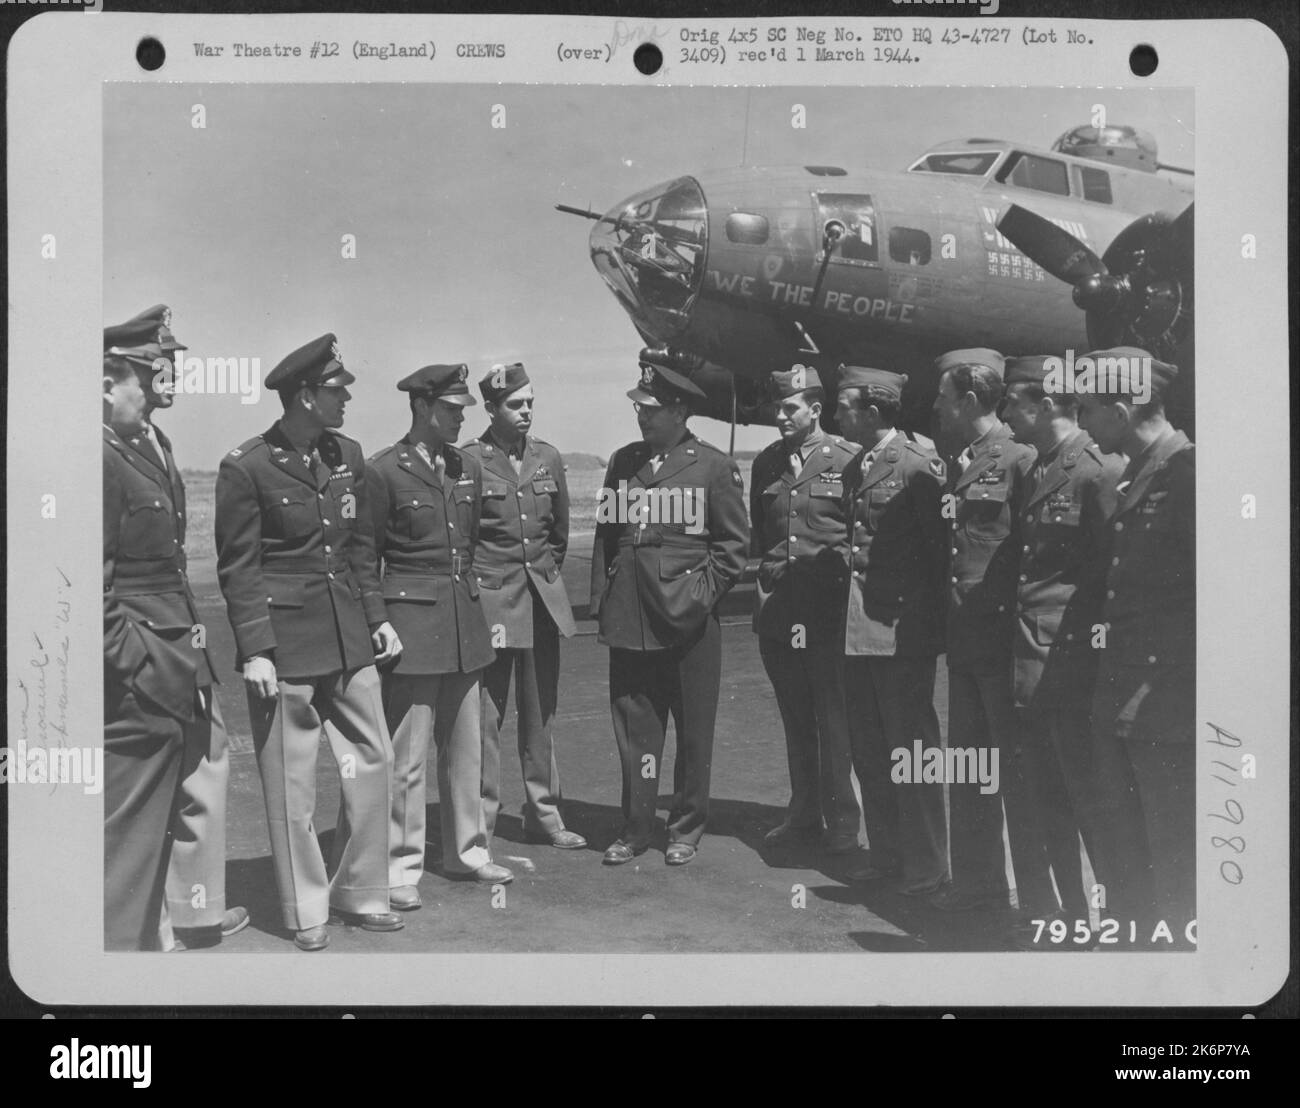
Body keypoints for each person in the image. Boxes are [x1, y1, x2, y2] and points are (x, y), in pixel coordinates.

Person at [214, 333, 404, 951]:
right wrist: (256, 649)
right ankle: (306, 910)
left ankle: (361, 891)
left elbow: (359, 549)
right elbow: (238, 568)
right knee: (292, 786)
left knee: (374, 760)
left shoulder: (347, 454)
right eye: (335, 391)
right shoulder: (247, 467)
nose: (346, 399)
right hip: (286, 647)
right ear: (303, 397)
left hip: (349, 637)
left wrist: (377, 615)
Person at [103, 305, 249, 951]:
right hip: (145, 662)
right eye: (158, 364)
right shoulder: (98, 457)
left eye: (174, 362)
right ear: (112, 377)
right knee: (134, 817)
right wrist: (133, 663)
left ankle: (191, 916)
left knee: (204, 776)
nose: (172, 373)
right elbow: (90, 587)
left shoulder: (156, 444)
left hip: (180, 646)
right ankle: (125, 945)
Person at [589, 351, 749, 866]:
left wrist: (695, 599)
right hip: (631, 618)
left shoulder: (714, 467)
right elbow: (607, 537)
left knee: (693, 732)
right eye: (640, 405)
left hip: (689, 625)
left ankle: (684, 828)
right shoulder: (623, 463)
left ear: (679, 412)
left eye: (653, 408)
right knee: (637, 731)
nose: (642, 415)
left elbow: (732, 550)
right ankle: (636, 827)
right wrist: (605, 602)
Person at [368, 364, 512, 906]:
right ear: (424, 408)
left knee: (466, 747)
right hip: (411, 627)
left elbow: (468, 543)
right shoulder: (385, 470)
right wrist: (380, 621)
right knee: (407, 756)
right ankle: (402, 865)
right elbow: (369, 555)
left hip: (462, 620)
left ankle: (468, 850)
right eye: (451, 410)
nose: (459, 419)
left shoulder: (465, 465)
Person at [1001, 354, 1122, 944]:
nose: (1005, 416)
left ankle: (1117, 918)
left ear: (1045, 404)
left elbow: (1107, 578)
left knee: (1088, 798)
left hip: (1071, 665)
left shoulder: (1096, 471)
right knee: (1048, 798)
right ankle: (1074, 918)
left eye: (1013, 404)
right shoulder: (1036, 468)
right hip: (1030, 662)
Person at [1076, 348, 1194, 942]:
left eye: (1089, 410)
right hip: (1123, 691)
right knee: (1125, 837)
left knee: (1173, 847)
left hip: (1164, 699)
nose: (1082, 424)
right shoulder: (1137, 470)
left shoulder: (1187, 472)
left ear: (1122, 410)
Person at [930, 348, 1043, 913]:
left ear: (970, 400)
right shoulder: (959, 460)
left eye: (943, 398)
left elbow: (1032, 558)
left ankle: (1034, 903)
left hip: (1000, 642)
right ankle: (978, 888)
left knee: (1017, 777)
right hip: (965, 639)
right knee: (970, 766)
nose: (935, 407)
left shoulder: (1021, 459)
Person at [460, 363, 586, 851]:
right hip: (492, 606)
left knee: (541, 714)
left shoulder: (548, 457)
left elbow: (557, 534)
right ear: (491, 409)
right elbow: (466, 538)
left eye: (531, 401)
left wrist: (545, 576)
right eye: (516, 403)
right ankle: (481, 824)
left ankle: (544, 815)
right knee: (485, 719)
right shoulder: (470, 459)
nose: (527, 409)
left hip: (541, 604)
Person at [836, 366, 950, 895]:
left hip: (902, 635)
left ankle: (927, 864)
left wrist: (925, 634)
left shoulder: (916, 465)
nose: (838, 414)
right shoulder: (859, 464)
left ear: (874, 412)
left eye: (845, 405)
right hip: (859, 632)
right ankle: (888, 855)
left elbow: (937, 555)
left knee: (912, 754)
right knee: (872, 751)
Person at [749, 367, 861, 854]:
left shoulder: (849, 459)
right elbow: (764, 534)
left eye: (789, 407)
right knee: (795, 718)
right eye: (777, 408)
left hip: (827, 612)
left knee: (835, 721)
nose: (779, 416)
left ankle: (843, 824)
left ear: (815, 410)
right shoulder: (767, 463)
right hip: (779, 611)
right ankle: (803, 815)